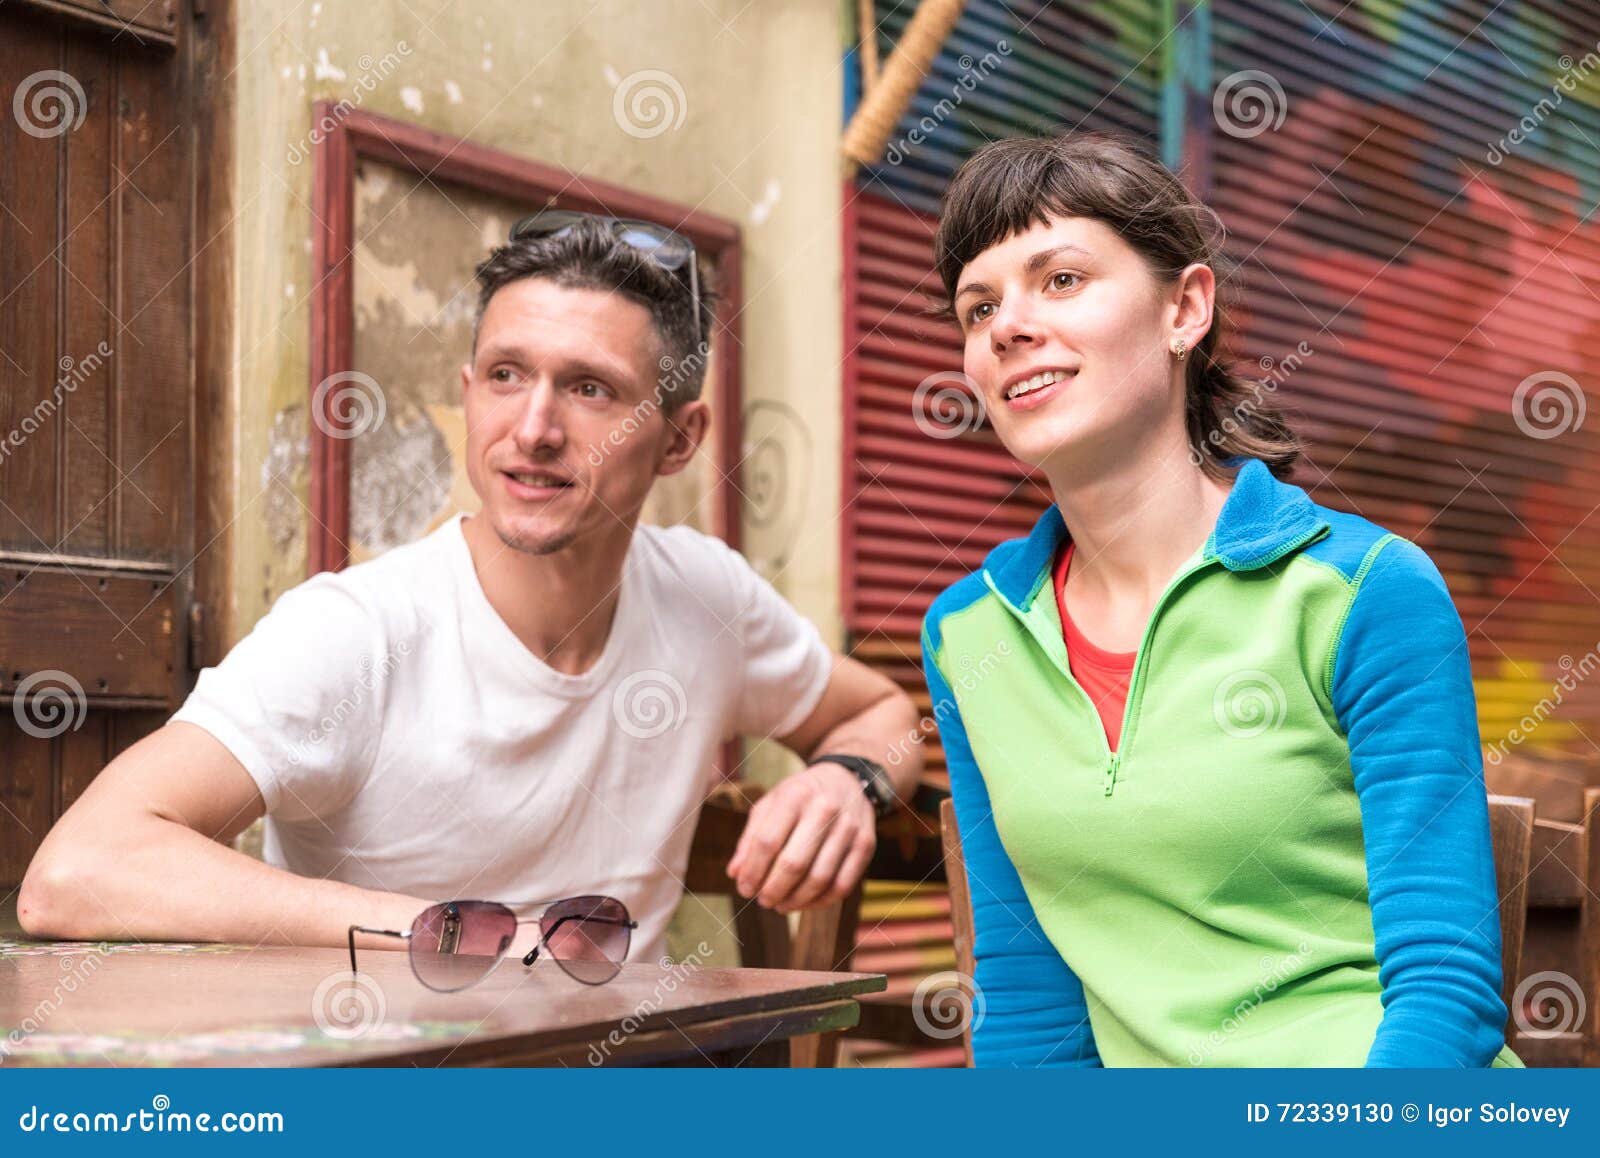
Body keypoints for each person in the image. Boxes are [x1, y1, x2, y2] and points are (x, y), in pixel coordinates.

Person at [20, 213, 921, 967]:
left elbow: (883, 711)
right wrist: (438, 934)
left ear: (681, 440)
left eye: (590, 390)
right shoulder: (359, 632)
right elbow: (77, 870)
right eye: (505, 375)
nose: (533, 429)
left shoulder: (706, 596)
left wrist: (849, 782)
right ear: (470, 393)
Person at [920, 131, 1519, 1067]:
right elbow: (1030, 998)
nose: (1008, 325)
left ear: (1185, 310)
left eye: (1062, 279)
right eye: (978, 306)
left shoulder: (1363, 589)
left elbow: (1446, 993)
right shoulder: (967, 634)